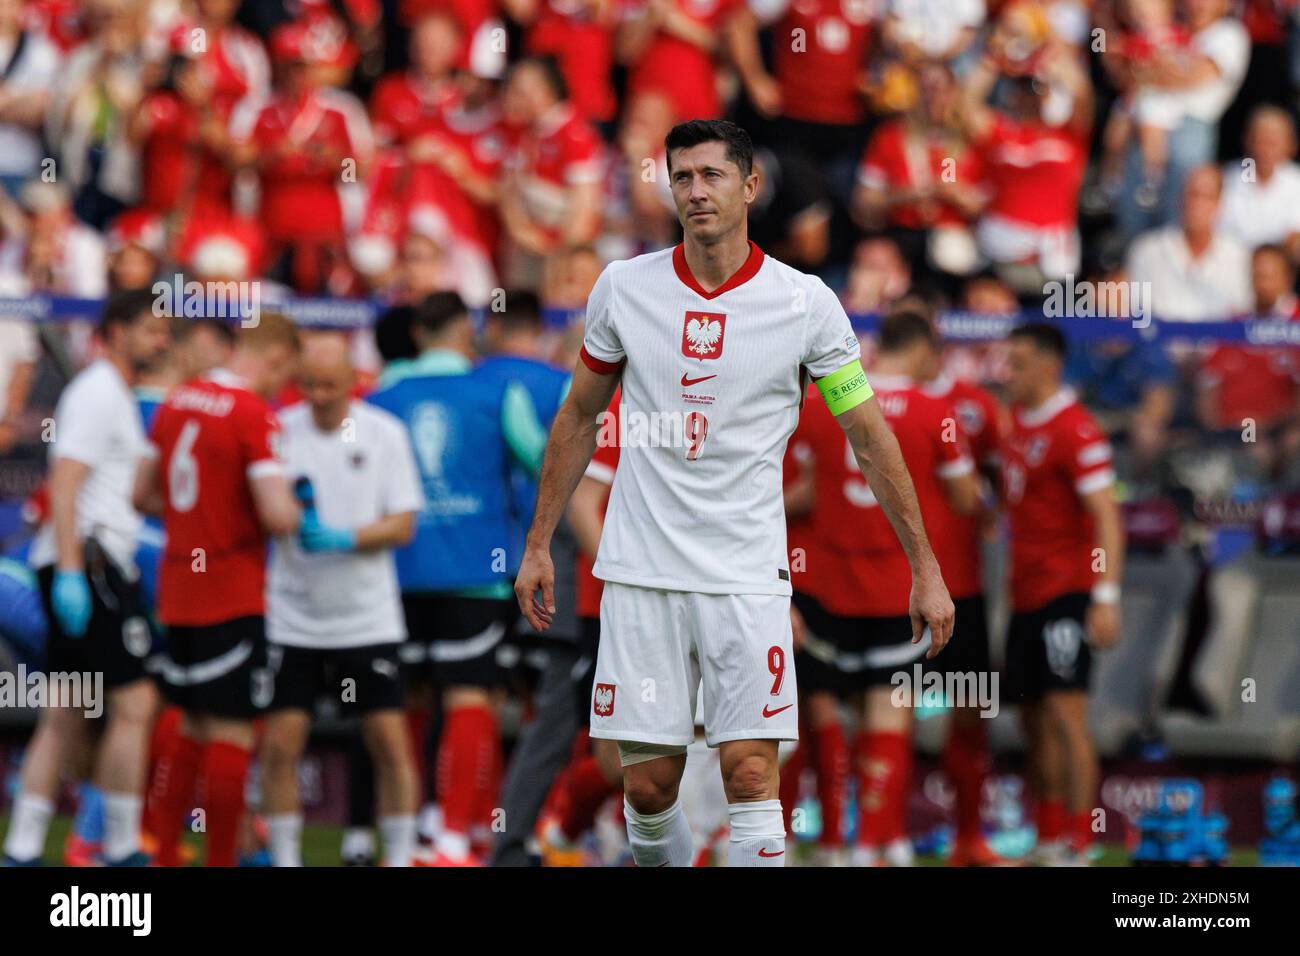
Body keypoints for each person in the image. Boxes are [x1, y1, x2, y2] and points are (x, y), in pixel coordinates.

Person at [513, 119, 954, 867]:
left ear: (750, 186)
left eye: (712, 175)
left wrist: (926, 565)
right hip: (641, 571)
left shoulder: (805, 303)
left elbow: (870, 436)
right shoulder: (623, 288)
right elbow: (581, 414)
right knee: (648, 785)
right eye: (681, 177)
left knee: (751, 771)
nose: (695, 192)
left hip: (747, 576)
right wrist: (536, 545)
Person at [784, 310, 980, 867]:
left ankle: (842, 840)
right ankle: (872, 840)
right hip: (899, 586)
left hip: (828, 585)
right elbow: (965, 497)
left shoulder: (822, 407)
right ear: (921, 351)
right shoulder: (936, 412)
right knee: (890, 713)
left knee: (825, 711)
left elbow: (808, 491)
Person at [368, 291, 547, 866]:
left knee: (413, 696)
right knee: (471, 695)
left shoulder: (382, 400)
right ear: (466, 333)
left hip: (398, 574)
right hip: (477, 572)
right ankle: (453, 833)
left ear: (417, 334)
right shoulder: (496, 393)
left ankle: (420, 828)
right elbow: (543, 464)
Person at [2, 289, 170, 867]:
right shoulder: (99, 393)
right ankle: (119, 842)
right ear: (118, 331)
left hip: (87, 562)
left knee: (66, 714)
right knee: (136, 703)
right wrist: (73, 573)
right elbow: (67, 484)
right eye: (151, 329)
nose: (160, 339)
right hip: (92, 566)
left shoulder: (111, 395)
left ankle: (23, 846)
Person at [133, 312, 303, 867]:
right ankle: (222, 859)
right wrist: (299, 509)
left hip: (177, 590)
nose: (284, 387)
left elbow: (143, 496)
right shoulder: (254, 414)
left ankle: (161, 855)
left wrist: (199, 515)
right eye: (286, 373)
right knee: (231, 732)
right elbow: (278, 515)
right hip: (231, 593)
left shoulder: (174, 402)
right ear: (276, 356)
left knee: (189, 723)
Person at [260, 334, 424, 867]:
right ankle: (286, 859)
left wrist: (346, 537)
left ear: (354, 381)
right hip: (293, 617)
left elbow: (403, 523)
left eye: (329, 384)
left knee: (389, 743)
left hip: (367, 618)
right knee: (281, 745)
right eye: (307, 383)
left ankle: (397, 858)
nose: (318, 394)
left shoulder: (385, 435)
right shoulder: (278, 433)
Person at [1001, 323, 1125, 866]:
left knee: (1066, 713)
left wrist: (1106, 595)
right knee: (1031, 718)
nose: (1011, 372)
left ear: (1051, 365)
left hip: (1066, 592)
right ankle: (1049, 838)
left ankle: (1082, 840)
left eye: (1021, 362)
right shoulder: (1015, 424)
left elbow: (1107, 516)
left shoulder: (1077, 430)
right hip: (1024, 595)